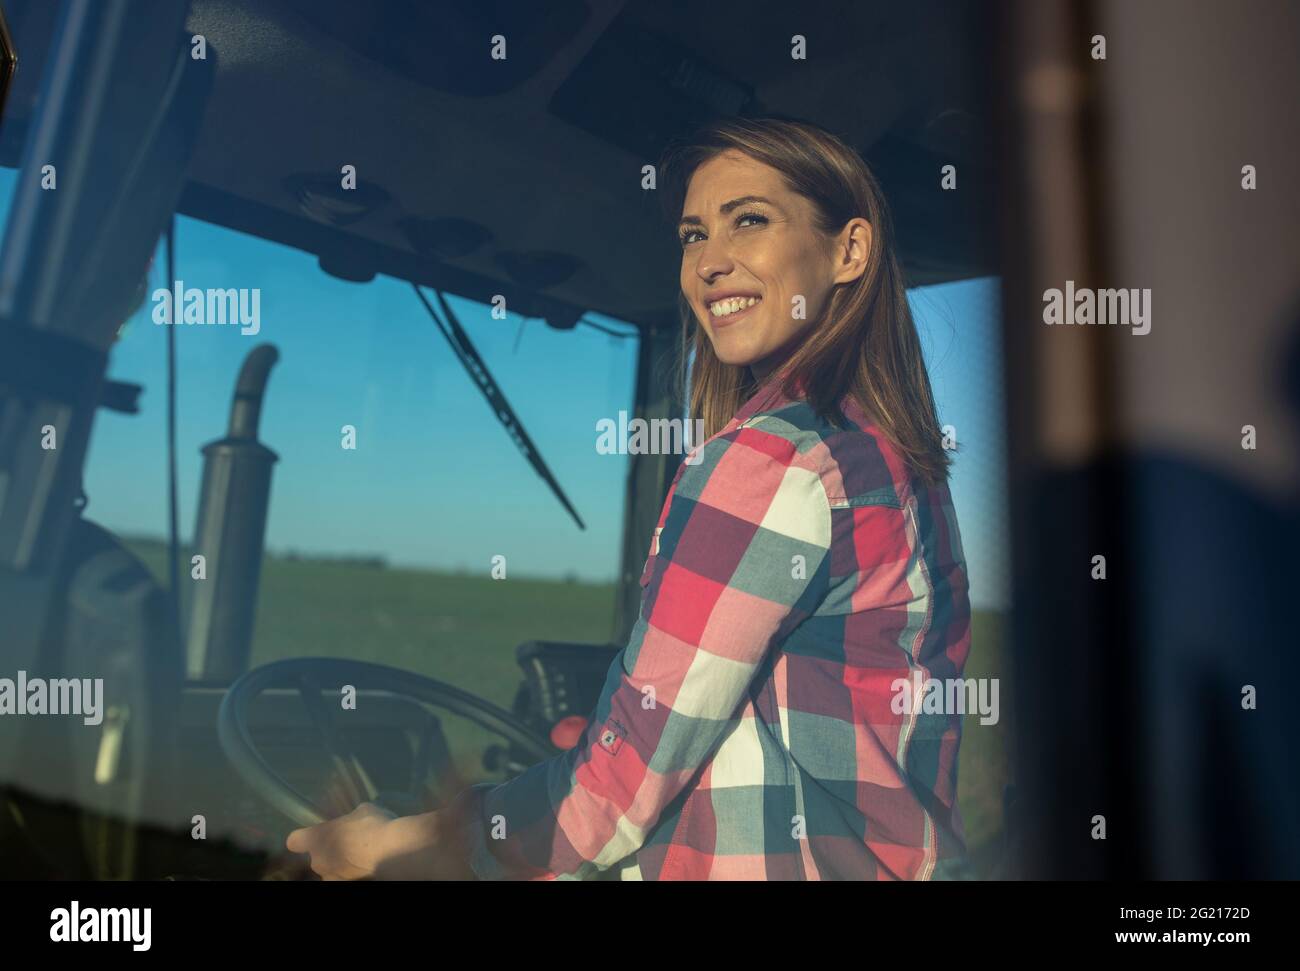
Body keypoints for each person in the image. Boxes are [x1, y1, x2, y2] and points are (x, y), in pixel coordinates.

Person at [286, 117, 973, 880]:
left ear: (849, 250)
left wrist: (404, 839)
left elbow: (609, 798)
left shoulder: (772, 461)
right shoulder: (888, 459)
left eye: (749, 220)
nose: (710, 261)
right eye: (691, 235)